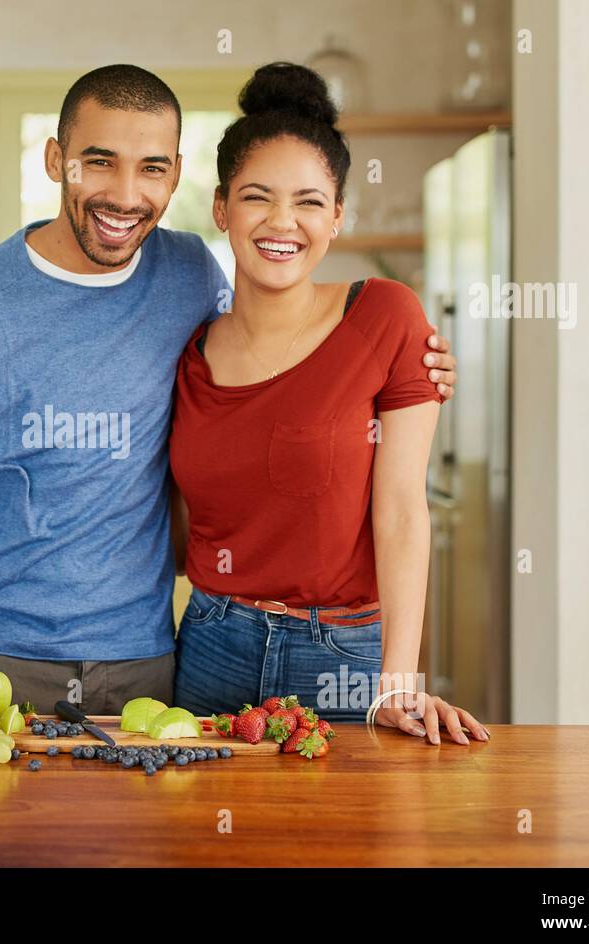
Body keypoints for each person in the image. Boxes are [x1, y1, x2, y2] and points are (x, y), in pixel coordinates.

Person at [0, 64, 456, 739]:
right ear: (55, 160)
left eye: (151, 167)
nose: (126, 195)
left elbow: (273, 396)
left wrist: (414, 376)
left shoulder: (190, 277)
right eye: (99, 162)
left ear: (177, 176)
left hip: (145, 661)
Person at [168, 62, 487, 744]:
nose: (283, 221)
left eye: (310, 201)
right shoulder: (188, 351)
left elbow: (402, 508)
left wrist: (400, 681)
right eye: (257, 197)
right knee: (203, 844)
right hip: (210, 641)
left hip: (339, 652)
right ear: (222, 208)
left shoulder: (385, 317)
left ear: (337, 217)